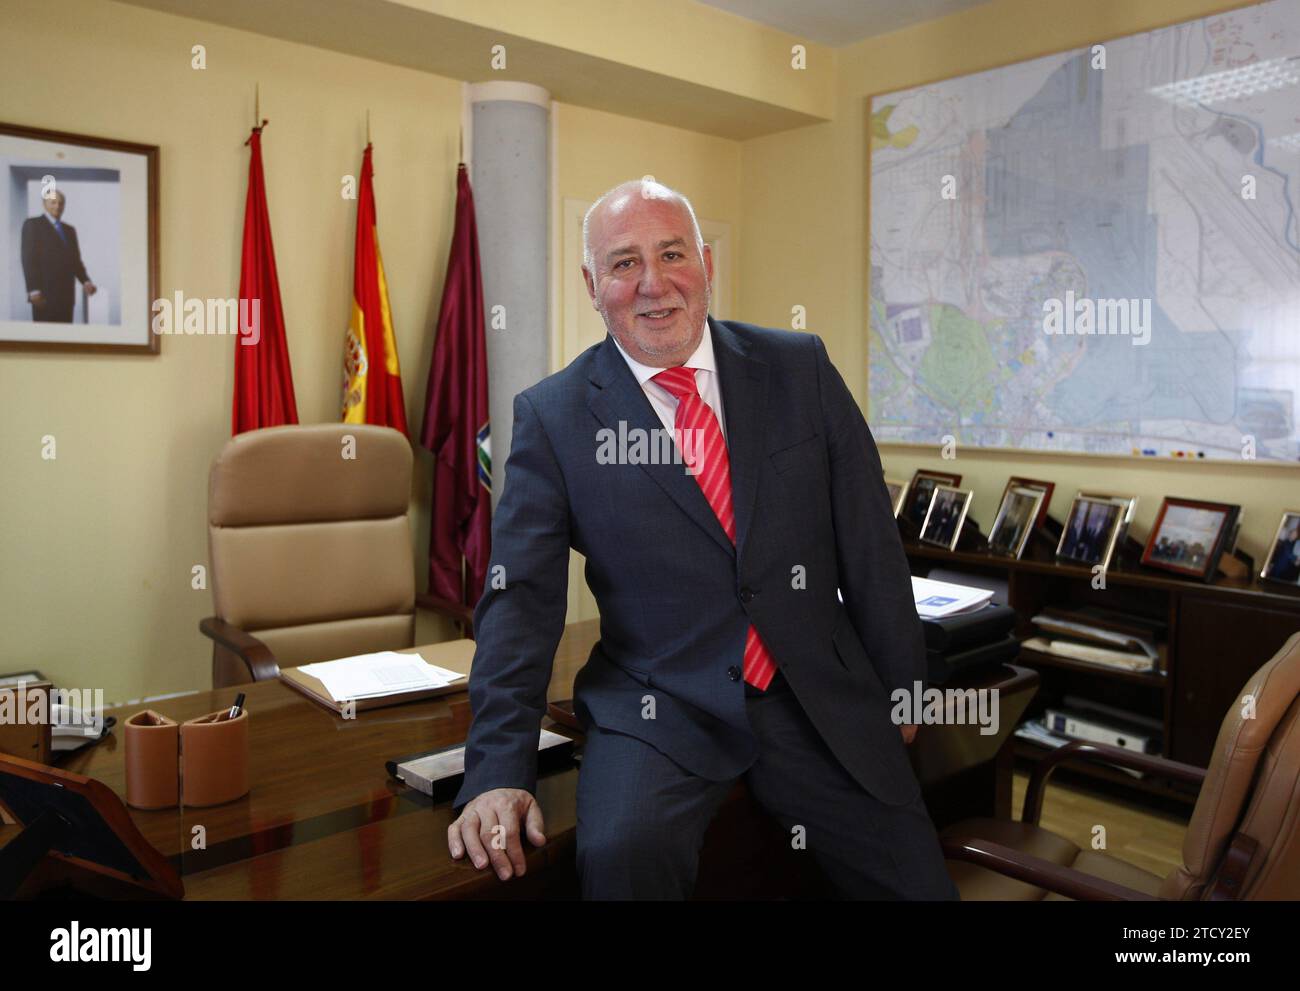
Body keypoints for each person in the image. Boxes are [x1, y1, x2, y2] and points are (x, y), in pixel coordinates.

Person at [446, 178, 957, 900]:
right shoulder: (553, 417)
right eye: (623, 263)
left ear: (707, 265)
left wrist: (903, 682)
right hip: (659, 704)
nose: (653, 284)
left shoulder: (798, 367)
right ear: (592, 285)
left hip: (813, 692)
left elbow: (870, 543)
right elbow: (520, 601)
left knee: (916, 886)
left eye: (671, 253)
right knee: (621, 859)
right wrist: (496, 769)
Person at [20, 189, 96, 323]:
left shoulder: (70, 230)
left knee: (64, 336)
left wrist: (86, 281)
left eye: (61, 203)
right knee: (44, 338)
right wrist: (33, 290)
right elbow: (28, 259)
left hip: (66, 296)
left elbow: (75, 261)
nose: (58, 206)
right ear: (44, 204)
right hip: (43, 296)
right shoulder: (33, 224)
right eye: (53, 202)